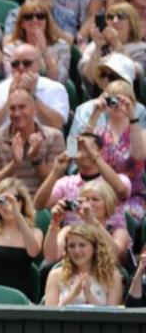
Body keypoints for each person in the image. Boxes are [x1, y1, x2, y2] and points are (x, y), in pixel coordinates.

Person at [34, 131, 132, 226]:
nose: (83, 152)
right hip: (75, 237)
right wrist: (55, 172)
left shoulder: (118, 179)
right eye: (79, 148)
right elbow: (39, 205)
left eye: (88, 148)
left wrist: (93, 155)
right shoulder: (65, 183)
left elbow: (121, 191)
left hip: (110, 235)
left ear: (101, 151)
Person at [0, 178, 44, 298]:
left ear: (22, 202)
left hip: (19, 296)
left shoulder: (35, 232)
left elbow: (34, 251)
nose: (7, 205)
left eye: (14, 199)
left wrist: (18, 215)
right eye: (2, 199)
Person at [0, 88, 66, 195]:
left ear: (35, 108)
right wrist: (14, 164)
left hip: (40, 203)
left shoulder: (53, 137)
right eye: (12, 108)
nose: (17, 113)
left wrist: (36, 160)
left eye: (22, 107)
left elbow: (57, 185)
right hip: (5, 200)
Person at [86, 77, 146, 222]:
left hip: (131, 198)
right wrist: (94, 115)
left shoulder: (141, 132)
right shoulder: (98, 131)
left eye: (124, 101)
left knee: (119, 216)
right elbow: (73, 150)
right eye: (113, 101)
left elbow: (139, 156)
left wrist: (132, 116)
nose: (118, 105)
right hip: (98, 196)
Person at [0, 44, 69, 133]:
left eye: (27, 63)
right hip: (5, 143)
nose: (21, 67)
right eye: (15, 64)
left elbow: (57, 125)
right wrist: (10, 99)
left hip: (44, 142)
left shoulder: (55, 88)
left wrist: (32, 96)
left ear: (38, 65)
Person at [45, 178, 132, 266]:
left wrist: (92, 221)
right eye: (85, 200)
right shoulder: (70, 230)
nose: (89, 204)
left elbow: (116, 257)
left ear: (107, 204)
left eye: (95, 199)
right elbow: (51, 257)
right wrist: (54, 225)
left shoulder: (119, 232)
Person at [43, 223, 123, 306]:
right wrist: (73, 295)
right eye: (71, 246)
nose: (77, 251)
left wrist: (89, 296)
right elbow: (50, 315)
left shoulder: (112, 276)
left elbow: (112, 316)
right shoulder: (56, 275)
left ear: (94, 247)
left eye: (82, 245)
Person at [2, 0, 72, 84]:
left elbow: (60, 80)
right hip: (21, 90)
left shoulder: (62, 46)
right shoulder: (11, 48)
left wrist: (45, 51)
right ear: (22, 23)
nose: (35, 20)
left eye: (40, 16)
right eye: (28, 17)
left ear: (47, 21)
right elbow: (10, 79)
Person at [80, 2, 146, 91]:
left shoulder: (141, 49)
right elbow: (88, 78)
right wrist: (98, 47)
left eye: (120, 16)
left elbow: (134, 73)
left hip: (129, 97)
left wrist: (116, 44)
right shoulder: (94, 46)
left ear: (131, 24)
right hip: (97, 97)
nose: (114, 21)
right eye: (110, 16)